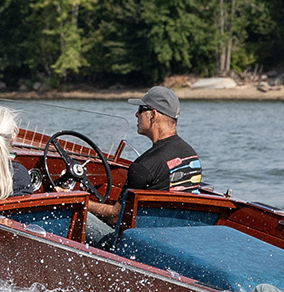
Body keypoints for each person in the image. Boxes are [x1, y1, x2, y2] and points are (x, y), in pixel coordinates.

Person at [84, 86, 201, 243]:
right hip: (176, 238)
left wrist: (81, 202)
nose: (136, 114)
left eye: (140, 109)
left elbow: (114, 217)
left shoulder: (144, 166)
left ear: (152, 115)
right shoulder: (191, 155)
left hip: (140, 244)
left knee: (69, 216)